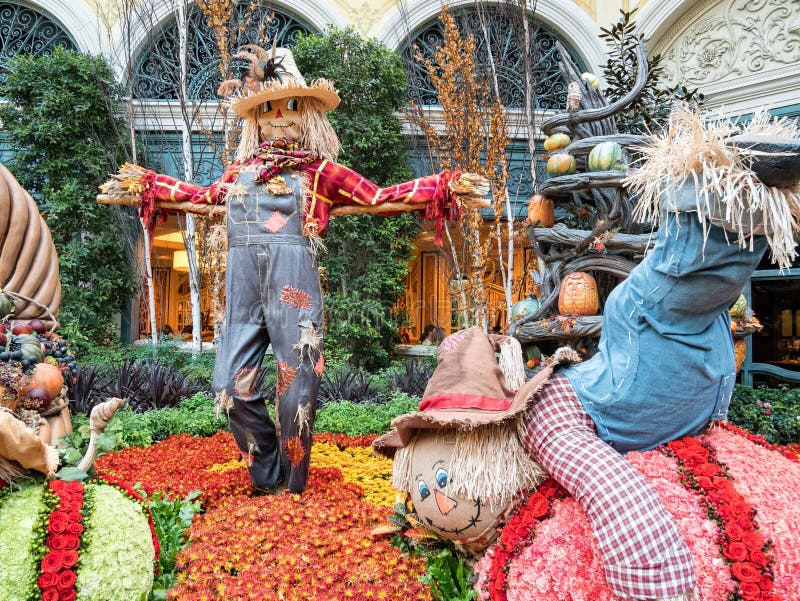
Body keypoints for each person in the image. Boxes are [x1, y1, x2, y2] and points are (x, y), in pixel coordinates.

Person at [375, 110, 800, 600]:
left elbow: (610, 489)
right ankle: (729, 198)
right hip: (678, 396)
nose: (443, 502)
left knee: (646, 307)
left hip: (633, 394)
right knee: (670, 309)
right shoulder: (533, 445)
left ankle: (719, 187)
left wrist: (656, 586)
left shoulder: (543, 423)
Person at [101, 45, 487, 494]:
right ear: (257, 120)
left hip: (296, 296)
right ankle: (266, 471)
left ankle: (293, 484)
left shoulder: (321, 173)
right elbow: (200, 197)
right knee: (230, 387)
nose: (279, 115)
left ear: (308, 115)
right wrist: (148, 185)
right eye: (268, 109)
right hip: (243, 296)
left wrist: (441, 187)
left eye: (290, 106)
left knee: (297, 394)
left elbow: (380, 197)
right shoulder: (238, 173)